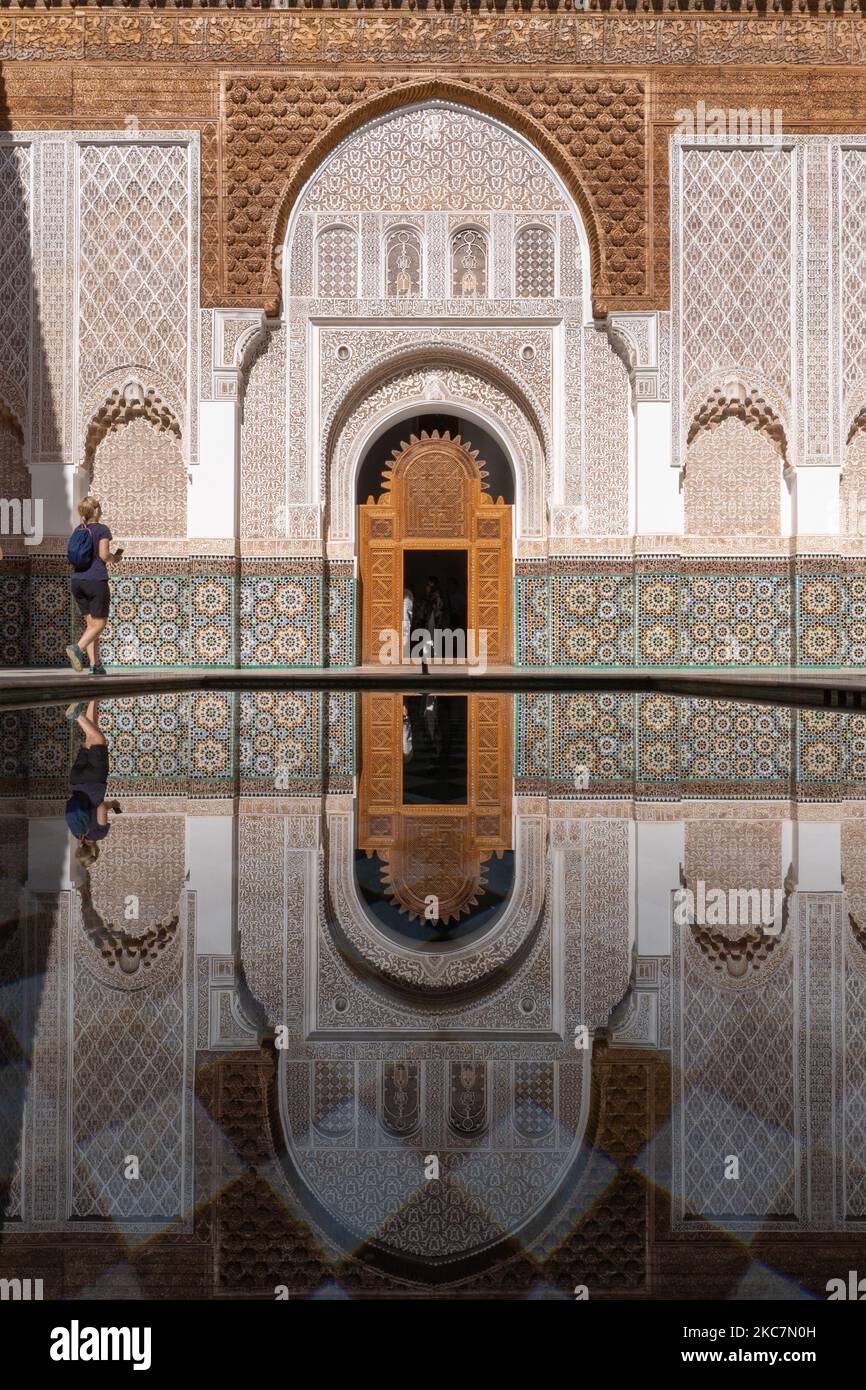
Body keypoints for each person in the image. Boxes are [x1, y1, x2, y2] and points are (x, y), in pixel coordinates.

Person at [65, 496, 123, 675]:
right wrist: (116, 558)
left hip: (77, 581)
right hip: (95, 581)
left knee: (91, 625)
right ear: (97, 511)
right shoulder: (102, 529)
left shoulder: (78, 530)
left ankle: (95, 664)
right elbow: (104, 555)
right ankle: (77, 648)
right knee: (99, 624)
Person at [64, 699, 121, 868]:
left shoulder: (99, 833)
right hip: (76, 782)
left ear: (95, 851)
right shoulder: (77, 833)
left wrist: (113, 804)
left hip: (94, 781)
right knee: (91, 737)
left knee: (99, 739)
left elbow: (101, 808)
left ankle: (76, 716)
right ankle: (93, 698)